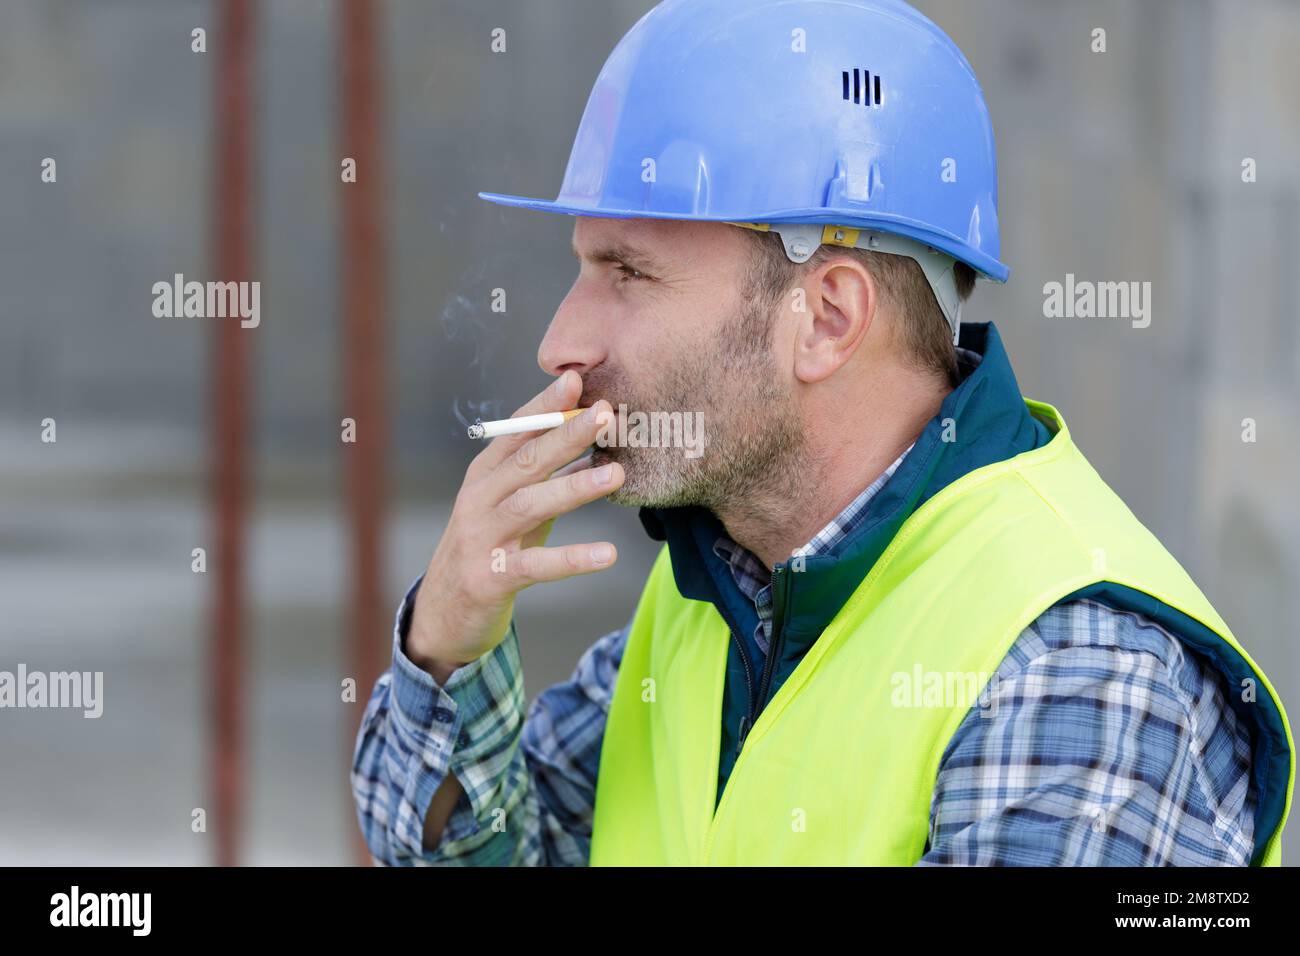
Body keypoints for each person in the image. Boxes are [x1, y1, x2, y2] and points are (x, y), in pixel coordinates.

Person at [352, 0, 1294, 865]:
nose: (561, 340)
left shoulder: (1082, 678)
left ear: (829, 318)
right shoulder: (717, 595)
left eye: (629, 273)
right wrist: (449, 643)